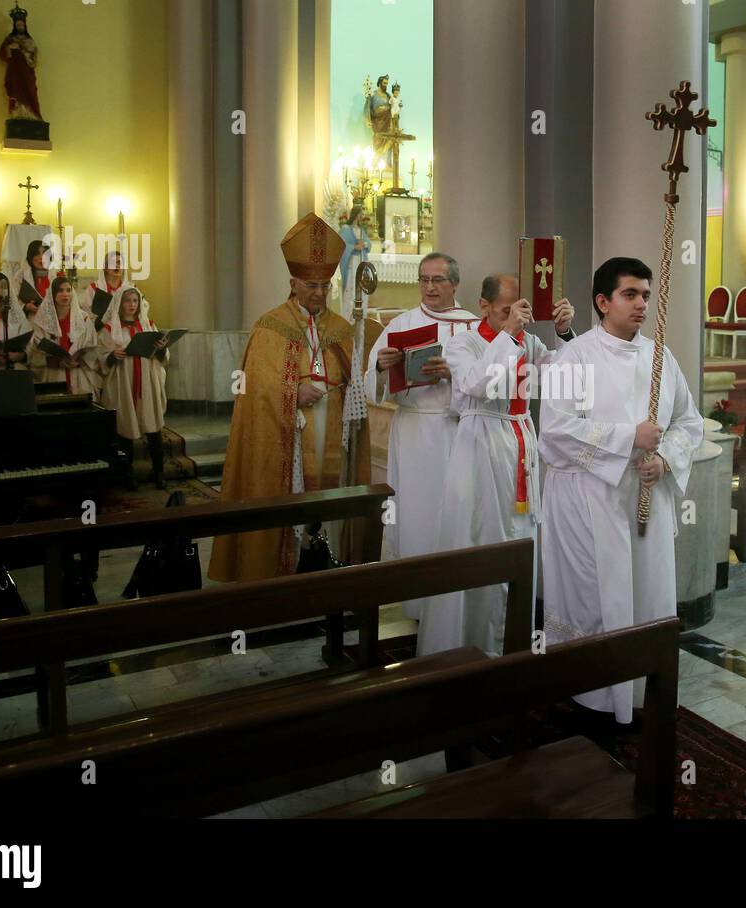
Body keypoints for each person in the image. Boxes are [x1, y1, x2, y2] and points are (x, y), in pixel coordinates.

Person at [539, 257, 703, 724]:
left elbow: (688, 422)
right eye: (630, 294)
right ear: (602, 301)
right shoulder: (577, 357)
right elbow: (554, 430)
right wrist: (629, 438)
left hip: (644, 495)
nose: (641, 304)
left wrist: (664, 457)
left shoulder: (660, 357)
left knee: (645, 596)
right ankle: (592, 698)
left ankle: (639, 695)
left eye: (646, 295)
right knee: (596, 599)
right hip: (590, 499)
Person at [209, 213, 382, 582]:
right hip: (290, 436)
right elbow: (250, 390)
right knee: (293, 498)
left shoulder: (341, 327)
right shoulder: (270, 326)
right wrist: (290, 391)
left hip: (332, 427)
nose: (319, 293)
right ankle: (280, 571)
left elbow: (359, 380)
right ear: (293, 282)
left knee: (329, 498)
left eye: (324, 285)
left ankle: (327, 564)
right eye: (310, 285)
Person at [418, 275, 574, 657]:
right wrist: (507, 335)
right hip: (481, 448)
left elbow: (566, 379)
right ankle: (471, 644)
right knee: (481, 536)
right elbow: (477, 384)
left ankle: (514, 642)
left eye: (519, 308)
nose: (516, 316)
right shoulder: (463, 343)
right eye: (506, 309)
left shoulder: (529, 342)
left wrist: (565, 334)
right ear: (484, 306)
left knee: (521, 536)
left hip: (521, 445)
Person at [366, 252, 478, 619]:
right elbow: (371, 386)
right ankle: (419, 607)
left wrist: (454, 376)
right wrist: (382, 369)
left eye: (438, 280)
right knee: (417, 515)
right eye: (424, 280)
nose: (429, 287)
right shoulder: (400, 325)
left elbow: (494, 385)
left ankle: (458, 608)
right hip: (414, 434)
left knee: (459, 516)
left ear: (455, 284)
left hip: (460, 431)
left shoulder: (475, 329)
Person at [94, 287, 170, 490]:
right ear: (119, 304)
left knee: (154, 430)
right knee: (125, 430)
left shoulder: (149, 325)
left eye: (135, 300)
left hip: (147, 381)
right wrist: (112, 356)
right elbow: (99, 358)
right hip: (123, 382)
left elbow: (163, 358)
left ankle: (159, 472)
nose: (132, 305)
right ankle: (128, 474)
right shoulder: (109, 330)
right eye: (127, 301)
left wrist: (162, 348)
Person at [30, 276, 99, 395]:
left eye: (68, 290)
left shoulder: (83, 318)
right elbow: (33, 351)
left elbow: (92, 347)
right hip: (53, 375)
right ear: (52, 294)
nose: (65, 294)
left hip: (78, 374)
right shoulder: (42, 320)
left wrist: (78, 358)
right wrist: (56, 362)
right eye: (60, 290)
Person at [81, 250, 130, 325]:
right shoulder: (94, 288)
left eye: (119, 263)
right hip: (98, 332)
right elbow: (85, 312)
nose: (117, 265)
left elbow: (142, 310)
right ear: (106, 268)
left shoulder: (130, 289)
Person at [15, 240, 52, 317]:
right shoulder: (21, 275)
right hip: (28, 321)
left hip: (51, 319)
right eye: (37, 254)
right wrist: (25, 306)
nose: (42, 257)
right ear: (30, 257)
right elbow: (12, 299)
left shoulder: (56, 275)